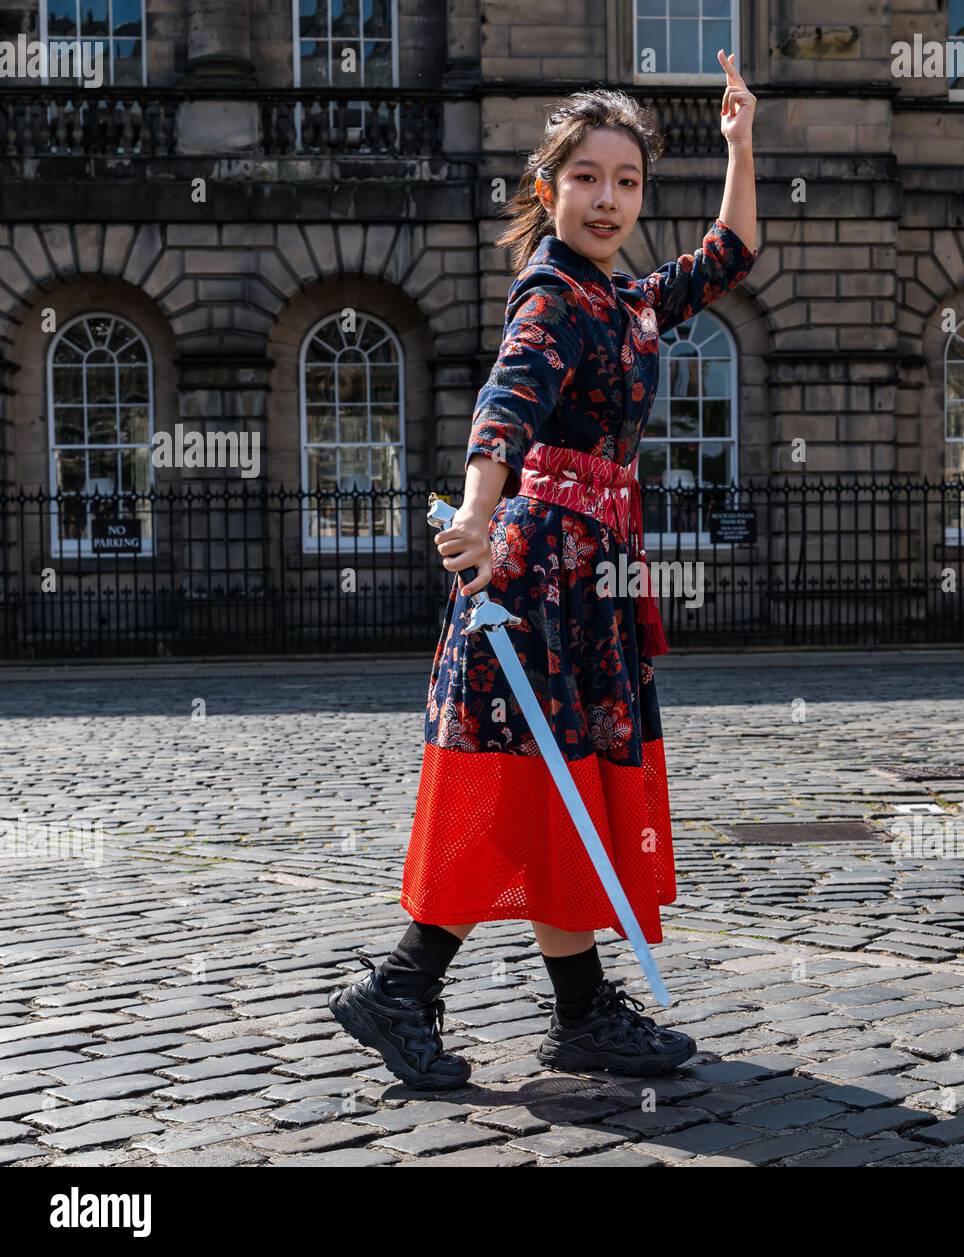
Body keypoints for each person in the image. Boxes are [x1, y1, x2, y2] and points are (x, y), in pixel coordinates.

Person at [330, 52, 759, 1091]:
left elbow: (729, 253)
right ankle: (407, 988)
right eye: (587, 178)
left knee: (563, 792)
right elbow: (505, 403)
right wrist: (477, 514)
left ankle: (568, 1015)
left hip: (592, 579)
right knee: (524, 787)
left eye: (627, 180)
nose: (608, 198)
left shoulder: (625, 299)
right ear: (548, 187)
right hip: (536, 580)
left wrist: (741, 143)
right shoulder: (555, 298)